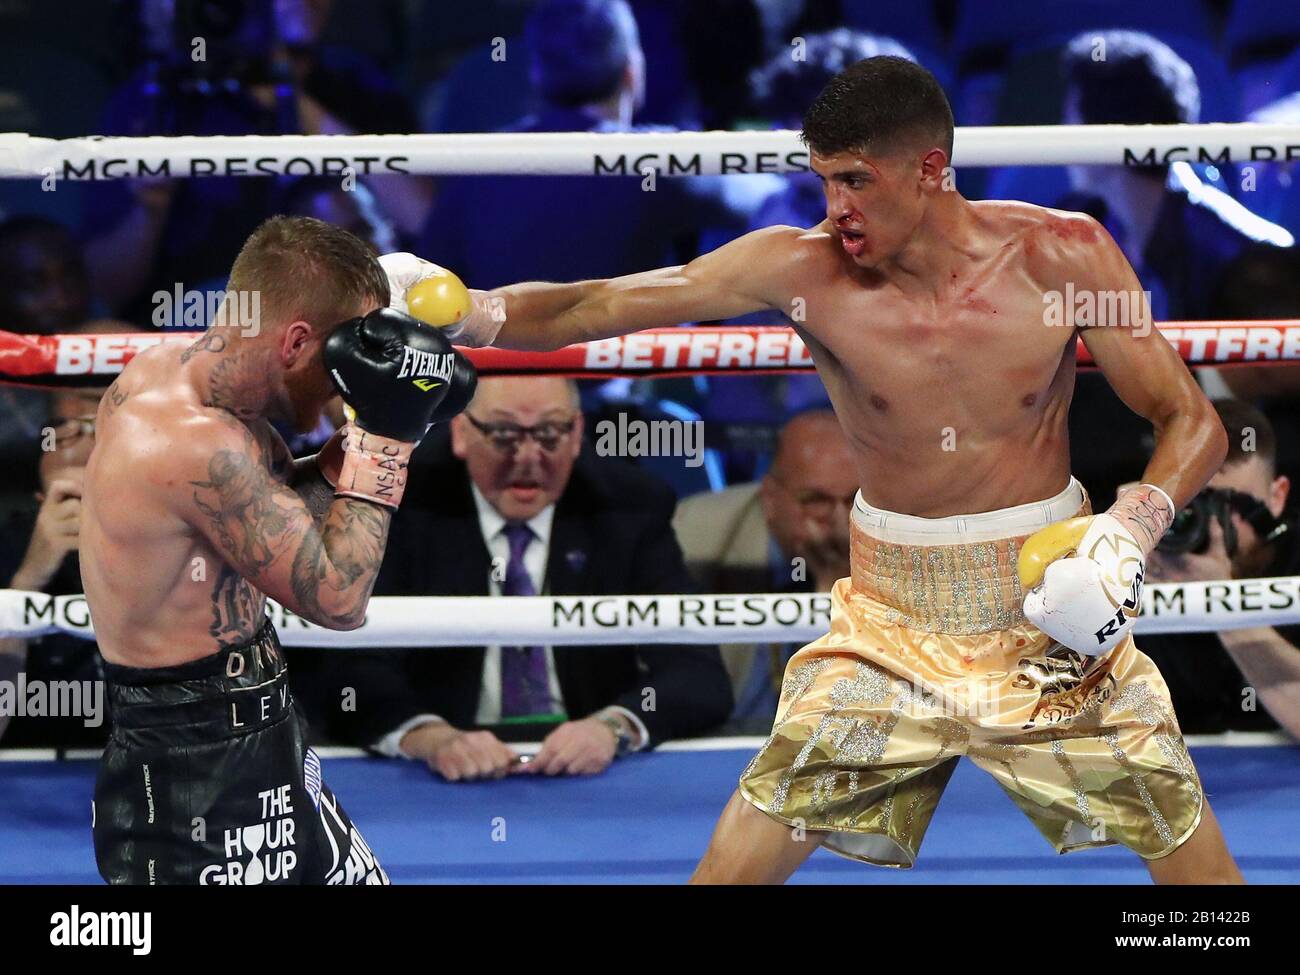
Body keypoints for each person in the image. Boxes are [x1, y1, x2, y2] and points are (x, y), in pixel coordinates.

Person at [413, 55, 1240, 883]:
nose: (836, 208)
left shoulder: (1062, 256)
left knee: (1206, 893)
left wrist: (1129, 532)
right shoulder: (802, 267)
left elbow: (1192, 421)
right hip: (888, 627)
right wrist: (466, 311)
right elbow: (598, 304)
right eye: (823, 181)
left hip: (1049, 625)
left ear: (930, 169)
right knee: (727, 874)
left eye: (855, 180)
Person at [78, 215, 476, 885]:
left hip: (269, 735)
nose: (346, 385)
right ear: (295, 341)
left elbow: (262, 520)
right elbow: (339, 598)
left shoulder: (196, 391)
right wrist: (386, 442)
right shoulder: (187, 439)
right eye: (340, 358)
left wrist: (343, 457)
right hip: (189, 774)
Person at [308, 376, 733, 780]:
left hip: (590, 780)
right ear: (460, 431)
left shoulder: (628, 506)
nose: (528, 457)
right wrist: (429, 737)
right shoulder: (404, 503)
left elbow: (697, 673)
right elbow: (348, 671)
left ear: (577, 432)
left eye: (550, 434)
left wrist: (613, 727)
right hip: (435, 780)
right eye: (504, 435)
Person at [674, 410, 856, 729]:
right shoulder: (693, 538)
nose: (842, 525)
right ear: (770, 498)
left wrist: (835, 594)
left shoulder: (894, 538)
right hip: (719, 742)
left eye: (856, 499)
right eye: (817, 501)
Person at [1144, 399, 1300, 738]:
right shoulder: (1130, 558)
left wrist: (1219, 599)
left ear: (1277, 496)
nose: (1214, 524)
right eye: (1193, 504)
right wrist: (1119, 559)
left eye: (1236, 505)